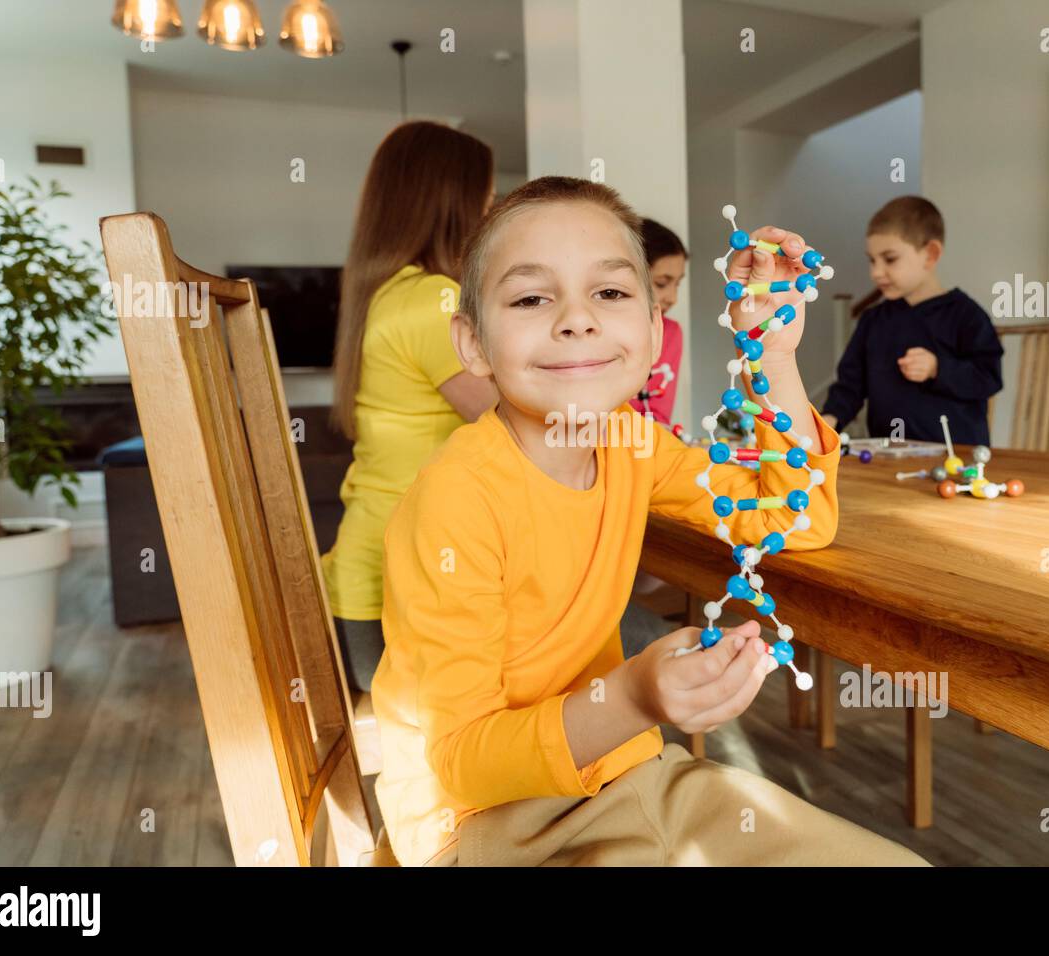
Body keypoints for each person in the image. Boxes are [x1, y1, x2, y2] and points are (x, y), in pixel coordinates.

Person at [370, 175, 929, 868]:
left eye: (610, 292)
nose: (579, 319)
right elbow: (462, 763)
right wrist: (633, 696)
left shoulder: (633, 445)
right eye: (531, 297)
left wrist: (774, 356)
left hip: (627, 775)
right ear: (473, 343)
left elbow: (793, 516)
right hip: (479, 828)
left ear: (653, 326)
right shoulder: (455, 502)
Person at [322, 121, 498, 692]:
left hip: (372, 581)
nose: (495, 214)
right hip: (394, 603)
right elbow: (520, 424)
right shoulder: (434, 301)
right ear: (456, 204)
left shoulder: (395, 291)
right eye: (489, 199)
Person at [821, 196, 1002, 445]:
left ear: (930, 255)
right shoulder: (872, 320)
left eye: (890, 259)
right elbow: (849, 386)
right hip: (887, 457)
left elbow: (988, 378)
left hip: (956, 457)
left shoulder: (966, 316)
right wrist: (829, 421)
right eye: (872, 260)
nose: (876, 272)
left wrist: (938, 368)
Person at [628, 218, 685, 426]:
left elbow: (659, 419)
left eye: (677, 284)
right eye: (662, 283)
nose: (672, 298)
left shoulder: (670, 332)